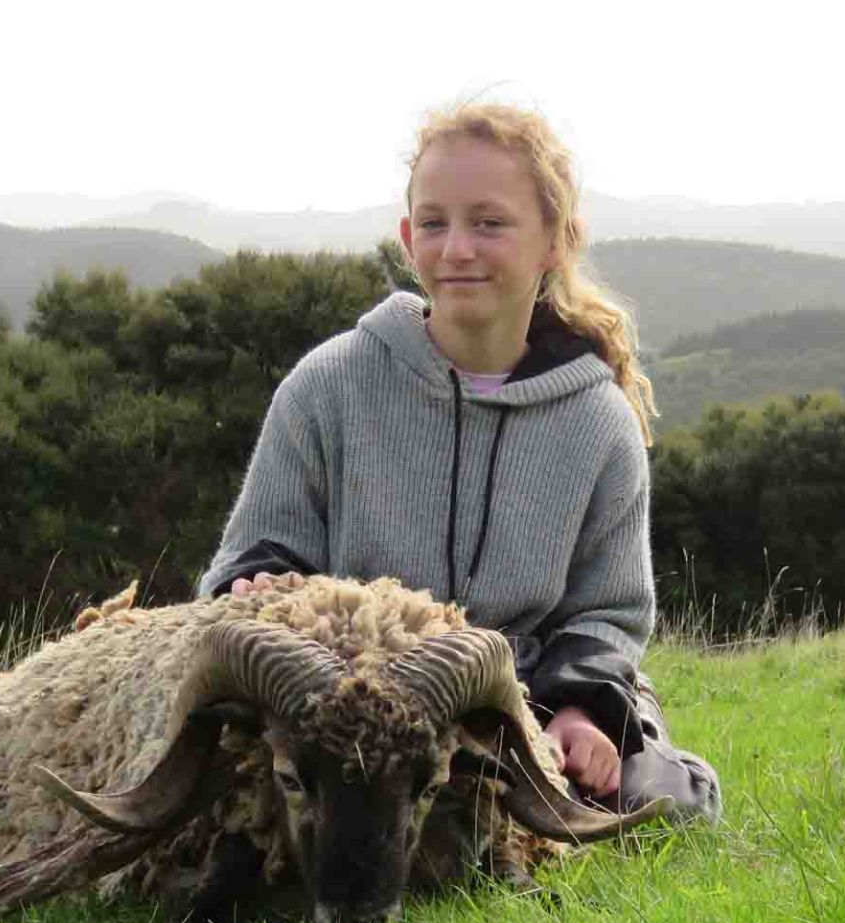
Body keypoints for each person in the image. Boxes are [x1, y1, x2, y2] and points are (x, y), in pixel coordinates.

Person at [198, 102, 719, 823]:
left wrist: (579, 712)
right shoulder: (329, 383)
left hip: (521, 700)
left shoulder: (599, 421)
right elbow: (255, 550)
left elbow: (607, 611)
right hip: (351, 709)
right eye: (435, 224)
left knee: (662, 803)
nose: (458, 249)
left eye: (490, 223)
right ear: (409, 240)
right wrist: (255, 583)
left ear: (553, 243)